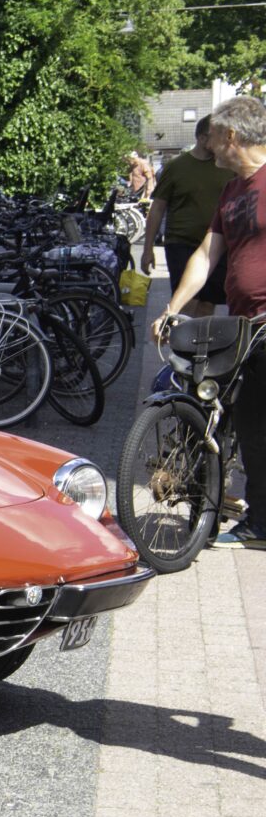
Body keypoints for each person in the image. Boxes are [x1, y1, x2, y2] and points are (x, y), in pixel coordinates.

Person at [153, 97, 266, 547]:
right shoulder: (233, 190)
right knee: (248, 420)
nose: (209, 146)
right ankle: (258, 521)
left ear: (232, 136)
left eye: (215, 137)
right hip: (244, 323)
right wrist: (172, 308)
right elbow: (205, 254)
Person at [142, 117, 234, 313]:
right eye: (217, 135)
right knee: (186, 301)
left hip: (216, 244)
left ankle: (200, 335)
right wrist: (147, 249)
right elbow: (157, 208)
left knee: (208, 303)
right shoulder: (176, 167)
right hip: (181, 243)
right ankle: (183, 332)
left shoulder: (226, 167)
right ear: (202, 138)